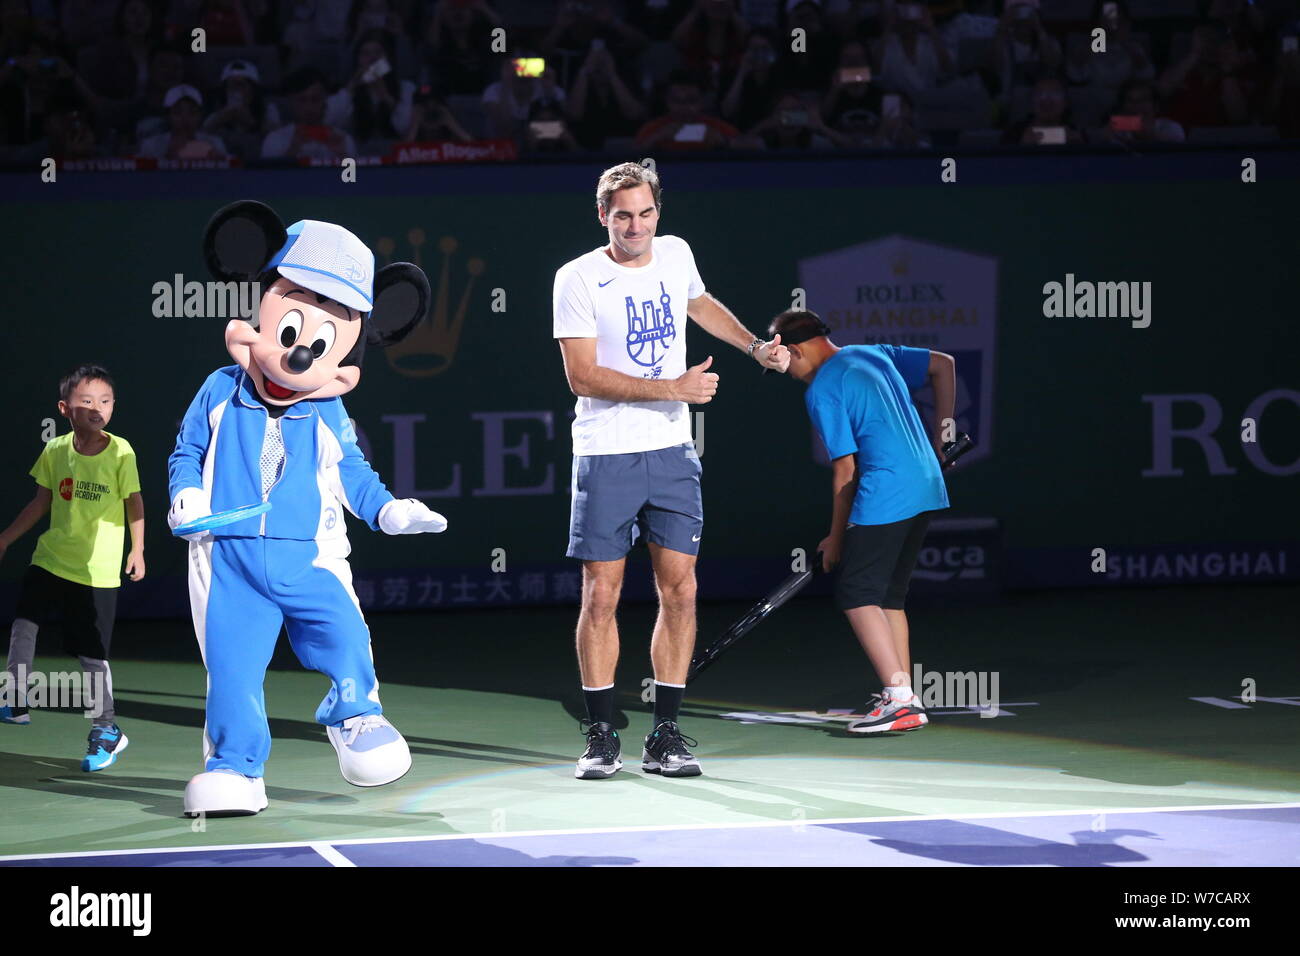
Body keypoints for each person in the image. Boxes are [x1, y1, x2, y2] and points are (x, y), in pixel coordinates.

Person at [169, 201, 444, 817]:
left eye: (321, 339)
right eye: (289, 329)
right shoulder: (219, 389)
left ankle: (356, 718)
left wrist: (387, 511)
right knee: (233, 673)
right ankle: (235, 768)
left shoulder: (325, 409)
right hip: (228, 561)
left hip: (310, 556)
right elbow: (186, 451)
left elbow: (352, 472)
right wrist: (185, 496)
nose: (297, 354)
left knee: (345, 634)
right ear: (266, 308)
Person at [552, 162, 790, 780]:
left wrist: (756, 348)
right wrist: (672, 389)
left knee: (679, 590)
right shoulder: (576, 278)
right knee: (601, 595)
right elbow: (581, 376)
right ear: (603, 215)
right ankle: (601, 734)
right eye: (623, 215)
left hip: (673, 454)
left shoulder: (676, 253)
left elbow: (700, 305)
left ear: (659, 213)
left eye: (646, 213)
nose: (636, 226)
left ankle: (665, 733)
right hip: (605, 453)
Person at [770, 310, 953, 734]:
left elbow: (845, 471)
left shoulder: (822, 390)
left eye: (785, 365)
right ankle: (902, 695)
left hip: (887, 489)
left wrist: (836, 537)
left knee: (856, 593)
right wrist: (944, 433)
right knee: (888, 597)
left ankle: (900, 700)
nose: (789, 374)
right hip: (925, 482)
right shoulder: (873, 353)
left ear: (795, 350)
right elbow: (944, 365)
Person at [0, 364, 144, 771]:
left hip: (95, 572)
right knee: (24, 624)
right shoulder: (55, 450)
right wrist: (7, 537)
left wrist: (138, 550)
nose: (97, 408)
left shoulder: (122, 452)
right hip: (50, 558)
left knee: (91, 655)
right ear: (65, 409)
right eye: (86, 401)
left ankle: (107, 729)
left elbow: (135, 503)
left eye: (105, 401)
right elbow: (40, 502)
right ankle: (16, 697)